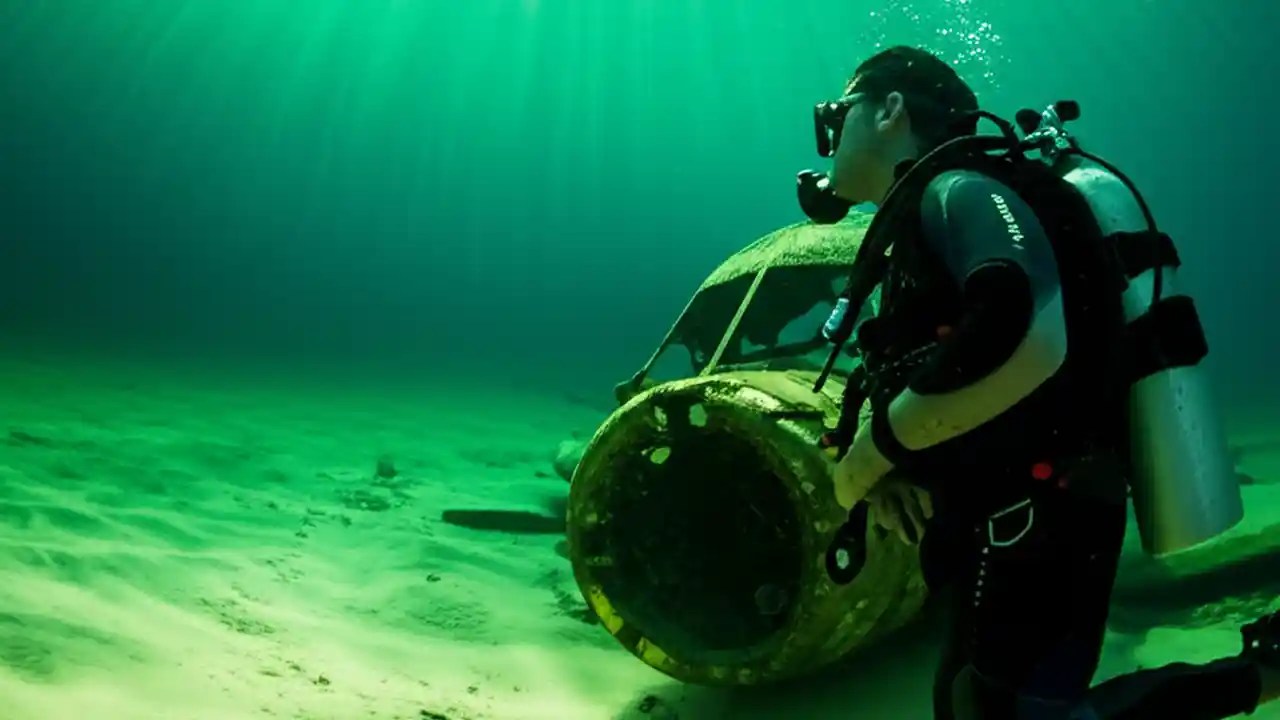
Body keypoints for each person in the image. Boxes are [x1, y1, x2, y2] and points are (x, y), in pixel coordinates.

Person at [795, 45, 1280, 719]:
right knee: (977, 704)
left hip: (1045, 512)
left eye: (835, 115)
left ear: (890, 112)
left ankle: (1264, 673)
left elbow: (1020, 328)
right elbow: (919, 369)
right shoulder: (918, 228)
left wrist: (874, 453)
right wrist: (891, 469)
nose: (827, 137)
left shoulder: (957, 191)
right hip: (997, 517)